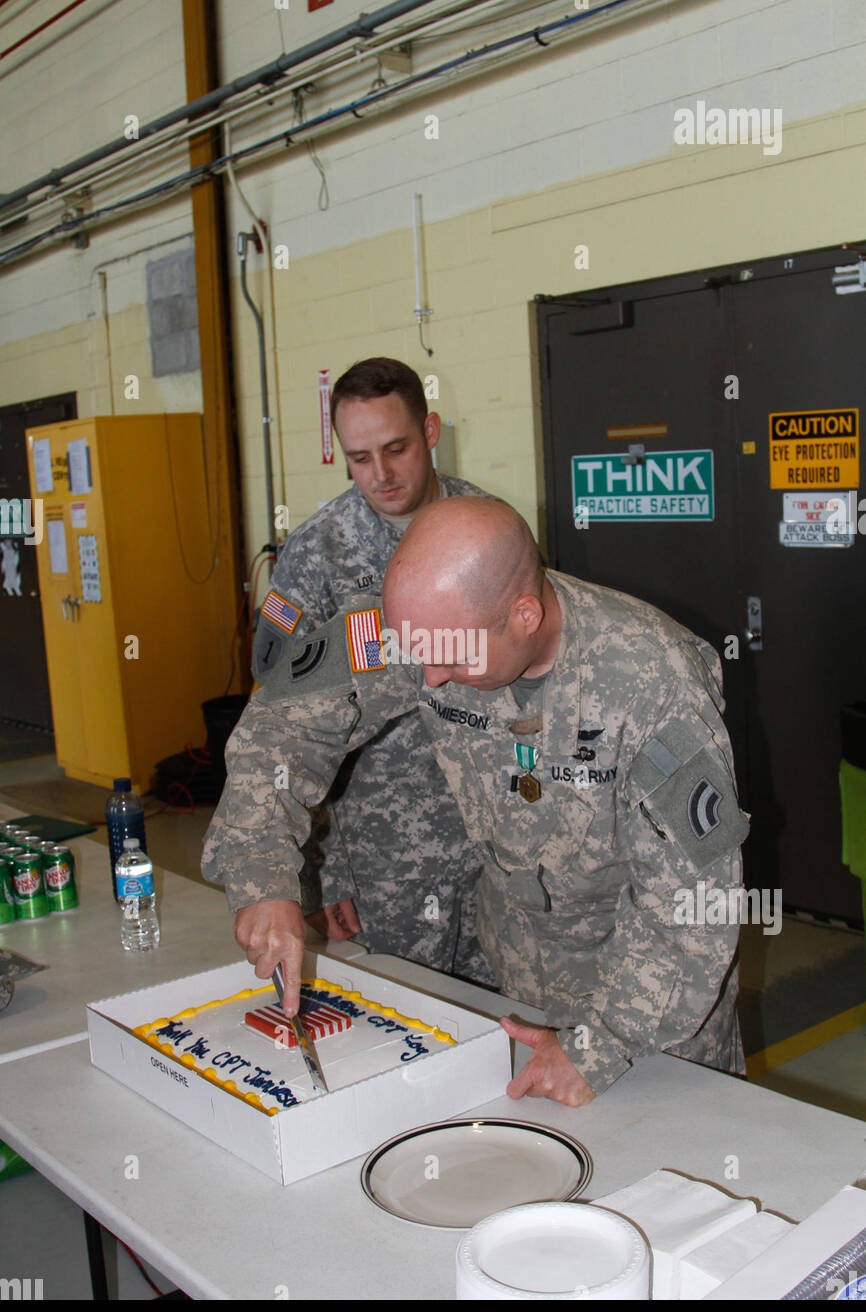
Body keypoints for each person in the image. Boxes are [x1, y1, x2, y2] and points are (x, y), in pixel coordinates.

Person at [202, 497, 749, 1106]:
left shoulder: (654, 683)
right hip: (515, 978)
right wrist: (263, 877)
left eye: (451, 659)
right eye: (418, 652)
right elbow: (282, 725)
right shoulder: (430, 627)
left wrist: (598, 1046)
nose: (428, 676)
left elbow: (695, 904)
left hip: (651, 1011)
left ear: (524, 615)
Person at [229, 358, 494, 984]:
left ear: (430, 431)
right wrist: (326, 871)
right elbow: (285, 718)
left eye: (396, 448)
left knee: (504, 1019)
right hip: (385, 851)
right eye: (359, 458)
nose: (381, 474)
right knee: (412, 1016)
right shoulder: (313, 556)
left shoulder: (488, 526)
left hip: (491, 835)